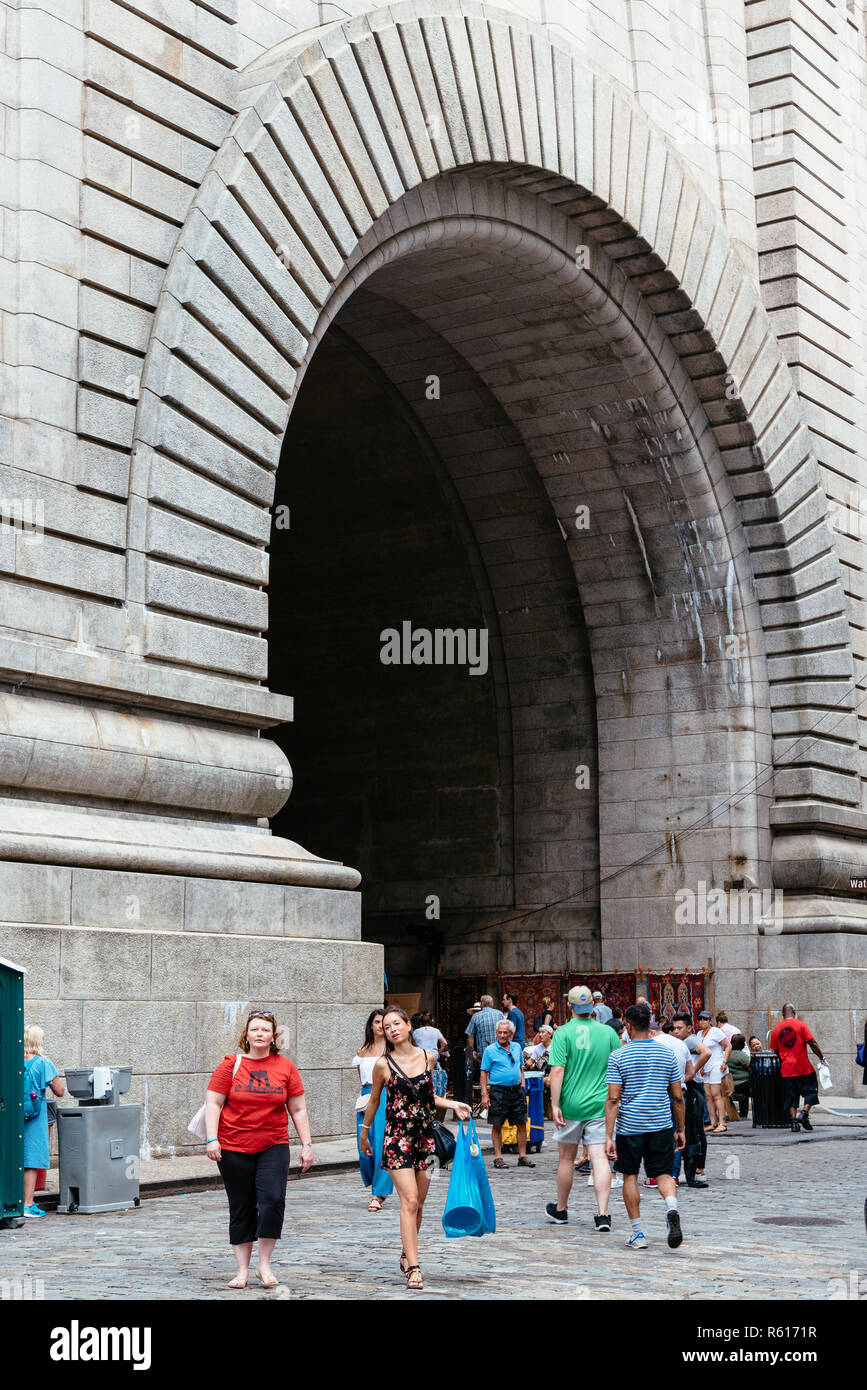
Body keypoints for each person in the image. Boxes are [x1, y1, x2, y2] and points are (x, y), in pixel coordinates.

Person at [359, 1006, 471, 1291]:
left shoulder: (428, 1057)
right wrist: (364, 1134)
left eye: (397, 1023)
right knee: (408, 1201)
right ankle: (415, 1267)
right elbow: (373, 1101)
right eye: (386, 1026)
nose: (392, 1029)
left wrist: (454, 1103)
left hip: (425, 1138)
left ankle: (405, 1252)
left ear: (409, 1026)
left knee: (419, 1203)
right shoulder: (382, 1064)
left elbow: (428, 1097)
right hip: (396, 1137)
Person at [205, 1008, 313, 1289]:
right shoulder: (230, 1064)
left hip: (273, 1144)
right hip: (232, 1145)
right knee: (241, 1204)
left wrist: (306, 1144)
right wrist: (211, 1138)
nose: (260, 1034)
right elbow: (214, 1102)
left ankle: (264, 1264)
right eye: (255, 1029)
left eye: (265, 1029)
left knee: (272, 1200)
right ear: (247, 1035)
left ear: (273, 1036)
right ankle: (241, 1270)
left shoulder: (285, 1067)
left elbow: (298, 1109)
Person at [605, 1002, 686, 1251]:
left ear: (627, 1026)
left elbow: (613, 1099)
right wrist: (680, 1128)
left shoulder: (618, 1056)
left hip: (630, 1127)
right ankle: (671, 1208)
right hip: (661, 1124)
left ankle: (638, 1234)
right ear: (651, 1023)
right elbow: (677, 1097)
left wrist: (609, 1135)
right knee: (663, 1174)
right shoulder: (666, 1054)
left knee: (630, 1175)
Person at [545, 984, 622, 1232]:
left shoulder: (563, 1033)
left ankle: (561, 1209)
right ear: (593, 1006)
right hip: (600, 1105)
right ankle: (602, 1214)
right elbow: (618, 1067)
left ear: (569, 1006)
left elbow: (557, 1070)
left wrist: (555, 1104)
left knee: (566, 1159)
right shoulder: (608, 1033)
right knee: (600, 1159)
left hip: (571, 1105)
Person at [22, 1024, 65, 1219]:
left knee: (15, 1157)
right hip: (35, 1117)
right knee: (31, 1160)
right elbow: (60, 1091)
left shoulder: (13, 1060)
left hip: (15, 1115)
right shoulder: (43, 1063)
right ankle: (28, 1204)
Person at [481, 1019, 535, 1169]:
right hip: (499, 1091)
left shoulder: (517, 1047)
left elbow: (521, 1067)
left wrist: (522, 1084)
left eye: (505, 1033)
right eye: (500, 1032)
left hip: (517, 1090)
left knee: (521, 1122)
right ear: (496, 1033)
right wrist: (485, 1094)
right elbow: (484, 1072)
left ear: (511, 1034)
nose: (502, 1035)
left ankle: (522, 1156)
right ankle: (498, 1157)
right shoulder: (490, 1050)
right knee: (497, 1124)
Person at [353, 1008, 392, 1212]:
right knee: (364, 1146)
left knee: (382, 1145)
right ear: (371, 1025)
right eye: (377, 1022)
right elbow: (361, 1078)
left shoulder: (392, 1050)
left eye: (383, 1023)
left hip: (386, 1095)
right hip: (366, 1096)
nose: (380, 1026)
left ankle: (378, 1193)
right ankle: (373, 1181)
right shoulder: (362, 1050)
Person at [769, 1003, 826, 1132]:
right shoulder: (801, 1025)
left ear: (782, 1014)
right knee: (811, 1090)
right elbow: (812, 1042)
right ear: (794, 1011)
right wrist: (821, 1057)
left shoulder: (776, 1029)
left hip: (787, 1069)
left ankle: (794, 1123)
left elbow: (776, 1051)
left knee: (791, 1096)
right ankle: (804, 1114)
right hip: (803, 1067)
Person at [671, 1014, 711, 1186]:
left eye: (680, 1028)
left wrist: (690, 1073)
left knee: (694, 1130)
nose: (676, 1031)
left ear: (689, 1028)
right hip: (694, 1088)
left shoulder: (690, 1041)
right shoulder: (684, 1042)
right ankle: (696, 1168)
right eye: (674, 1028)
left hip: (694, 1088)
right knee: (694, 1130)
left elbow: (706, 1052)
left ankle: (698, 1169)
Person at [696, 1009, 731, 1133]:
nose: (702, 1021)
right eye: (700, 1019)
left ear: (710, 1020)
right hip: (705, 1068)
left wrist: (724, 1061)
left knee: (716, 1094)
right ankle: (713, 1122)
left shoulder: (716, 1031)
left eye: (705, 1019)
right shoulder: (699, 1034)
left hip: (717, 1065)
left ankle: (723, 1122)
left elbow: (728, 1046)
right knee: (708, 1096)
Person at [465, 994, 504, 1099]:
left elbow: (470, 1036)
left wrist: (471, 1051)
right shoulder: (500, 1014)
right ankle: (497, 1100)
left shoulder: (476, 1016)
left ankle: (486, 1102)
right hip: (500, 1051)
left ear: (482, 1004)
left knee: (485, 1077)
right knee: (499, 1076)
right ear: (492, 1004)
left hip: (484, 1053)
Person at [412, 1012, 448, 1097]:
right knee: (438, 1073)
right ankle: (438, 1093)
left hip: (421, 1056)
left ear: (420, 1022)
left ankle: (422, 1092)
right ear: (431, 1022)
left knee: (421, 1075)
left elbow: (413, 1044)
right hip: (433, 1056)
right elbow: (445, 1043)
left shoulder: (416, 1031)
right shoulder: (436, 1031)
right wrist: (439, 1052)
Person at [727, 1033, 751, 1118]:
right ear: (741, 1044)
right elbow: (750, 1067)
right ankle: (744, 1113)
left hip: (730, 1084)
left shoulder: (728, 1054)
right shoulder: (741, 1055)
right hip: (741, 1084)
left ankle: (743, 1113)